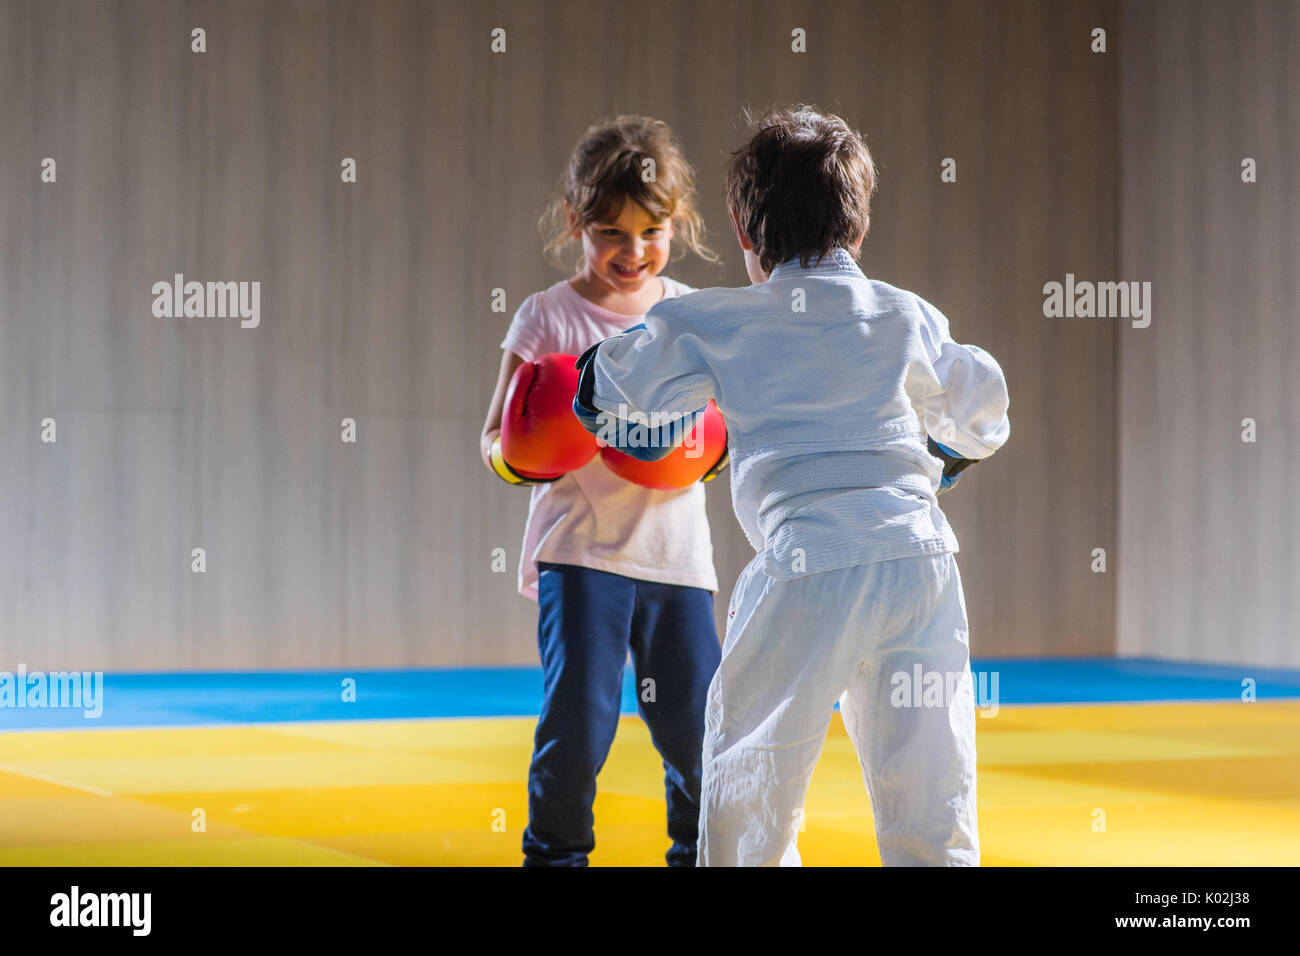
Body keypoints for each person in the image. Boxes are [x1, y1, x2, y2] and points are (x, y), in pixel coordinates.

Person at [573, 106, 1011, 866]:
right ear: (860, 228)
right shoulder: (905, 313)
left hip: (806, 569)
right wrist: (938, 461)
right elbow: (984, 406)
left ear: (744, 230)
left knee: (752, 772)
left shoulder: (716, 320)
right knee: (932, 786)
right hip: (921, 564)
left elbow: (612, 390)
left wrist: (585, 381)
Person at [479, 115, 723, 866]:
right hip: (580, 553)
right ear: (574, 222)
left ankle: (702, 850)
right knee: (579, 722)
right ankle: (554, 857)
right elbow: (492, 440)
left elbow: (721, 435)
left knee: (695, 724)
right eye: (611, 232)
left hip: (676, 558)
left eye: (652, 231)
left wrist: (701, 456)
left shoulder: (688, 314)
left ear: (676, 225)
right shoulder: (547, 315)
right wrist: (532, 451)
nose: (633, 251)